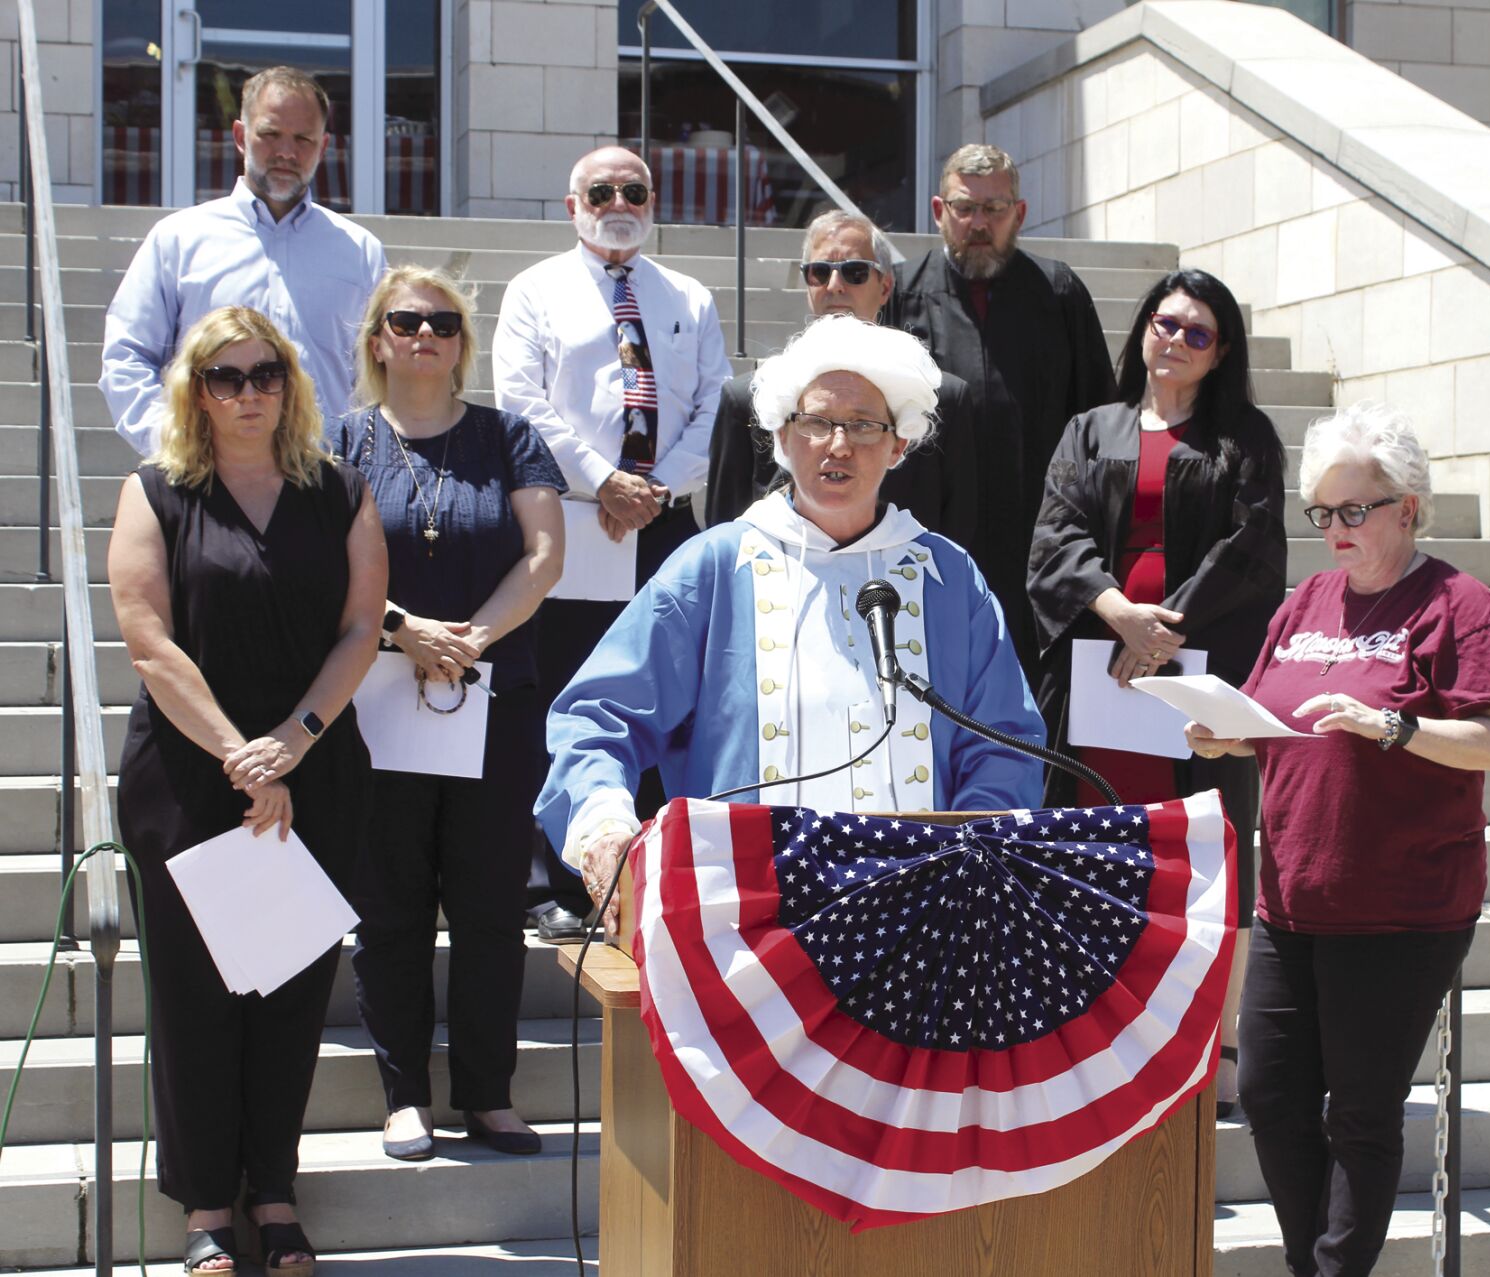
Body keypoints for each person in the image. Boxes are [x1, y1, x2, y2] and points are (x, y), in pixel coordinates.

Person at [536, 314, 1044, 932]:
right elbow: (597, 716)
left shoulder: (948, 576)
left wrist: (969, 861)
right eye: (818, 423)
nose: (839, 445)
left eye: (864, 425)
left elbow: (1004, 744)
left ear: (899, 444)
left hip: (920, 918)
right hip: (742, 923)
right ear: (782, 434)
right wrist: (604, 823)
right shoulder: (715, 564)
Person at [1184, 402, 1490, 1277]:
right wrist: (1225, 732)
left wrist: (1395, 727)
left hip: (1401, 907)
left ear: (1406, 507)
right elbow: (1273, 714)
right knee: (1267, 1094)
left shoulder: (1461, 607)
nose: (1334, 530)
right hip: (1294, 896)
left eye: (1353, 511)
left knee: (1361, 1115)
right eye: (1321, 513)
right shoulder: (1305, 601)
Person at [107, 307, 388, 1275]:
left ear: (290, 382)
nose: (247, 391)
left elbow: (360, 628)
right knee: (195, 998)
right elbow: (149, 638)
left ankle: (272, 1186)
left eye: (264, 372)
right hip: (191, 773)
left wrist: (293, 741)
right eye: (224, 377)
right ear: (197, 390)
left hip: (313, 769)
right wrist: (241, 753)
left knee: (289, 989)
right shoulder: (157, 490)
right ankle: (203, 1207)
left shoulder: (338, 488)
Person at [1027, 269, 1285, 1116]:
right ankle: (1097, 1032)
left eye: (1198, 332)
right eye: (1164, 322)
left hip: (1196, 679)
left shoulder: (1244, 439)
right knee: (1099, 839)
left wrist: (1163, 633)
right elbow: (1055, 534)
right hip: (1101, 675)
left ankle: (1213, 1043)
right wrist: (1115, 613)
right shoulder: (1088, 429)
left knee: (1202, 850)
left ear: (1220, 355)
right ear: (1141, 330)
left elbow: (1251, 552)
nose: (1174, 339)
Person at [327, 267, 568, 1163]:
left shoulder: (509, 437)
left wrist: (469, 638)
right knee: (389, 904)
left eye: (442, 322)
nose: (423, 334)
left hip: (491, 699)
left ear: (462, 343)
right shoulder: (342, 444)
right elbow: (321, 564)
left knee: (488, 902)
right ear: (378, 339)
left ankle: (488, 1093)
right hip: (376, 699)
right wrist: (402, 630)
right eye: (405, 320)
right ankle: (403, 1098)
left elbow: (544, 556)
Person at [492, 144, 731, 941]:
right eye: (601, 190)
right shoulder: (536, 292)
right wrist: (605, 479)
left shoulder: (687, 296)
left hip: (663, 525)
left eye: (633, 189)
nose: (618, 200)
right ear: (573, 205)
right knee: (571, 698)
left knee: (668, 700)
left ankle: (658, 874)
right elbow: (523, 403)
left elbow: (713, 406)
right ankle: (566, 881)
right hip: (570, 522)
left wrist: (656, 487)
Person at [881, 143, 1117, 679]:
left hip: (1038, 533)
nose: (978, 223)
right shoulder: (904, 295)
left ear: (1020, 214)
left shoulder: (1058, 293)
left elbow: (1100, 418)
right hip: (931, 531)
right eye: (965, 208)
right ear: (940, 212)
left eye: (994, 208)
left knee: (1030, 691)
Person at [101, 66, 388, 456]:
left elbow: (382, 375)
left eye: (302, 139)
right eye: (271, 134)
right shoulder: (179, 240)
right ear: (240, 136)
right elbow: (127, 356)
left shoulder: (360, 253)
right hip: (206, 484)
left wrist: (363, 461)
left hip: (326, 485)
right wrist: (175, 445)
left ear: (322, 148)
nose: (287, 152)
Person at [705, 208, 977, 545]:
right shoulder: (746, 397)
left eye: (855, 272)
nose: (835, 286)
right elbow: (725, 532)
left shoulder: (942, 398)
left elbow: (961, 529)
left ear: (886, 286)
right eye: (819, 272)